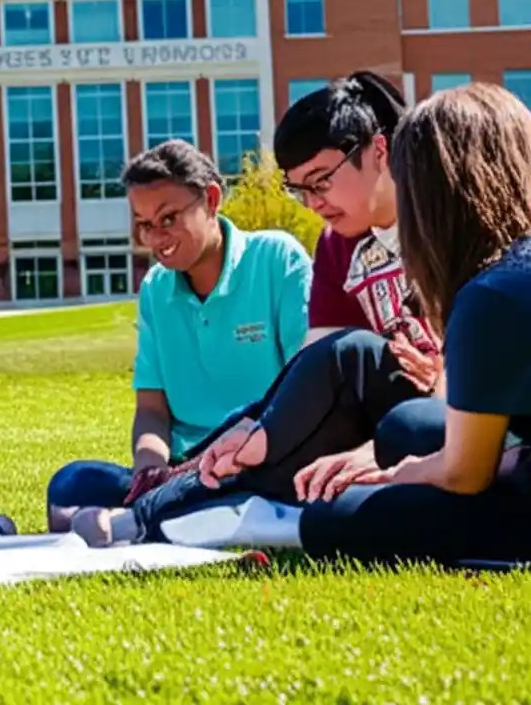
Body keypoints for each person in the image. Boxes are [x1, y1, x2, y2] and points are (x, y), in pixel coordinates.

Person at [67, 72, 451, 548]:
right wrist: (247, 431)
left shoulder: (442, 224)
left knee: (351, 366)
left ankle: (154, 516)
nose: (313, 203)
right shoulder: (336, 248)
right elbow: (311, 372)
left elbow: (351, 364)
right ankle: (182, 499)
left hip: (436, 420)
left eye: (322, 182)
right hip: (351, 421)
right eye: (299, 190)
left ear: (378, 151)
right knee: (78, 482)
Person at [182, 83, 531, 562]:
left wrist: (394, 472)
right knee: (399, 430)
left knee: (337, 515)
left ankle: (208, 505)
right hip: (495, 447)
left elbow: (465, 471)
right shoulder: (504, 274)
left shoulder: (489, 294)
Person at [44, 139, 313, 532]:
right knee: (72, 484)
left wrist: (234, 457)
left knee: (246, 488)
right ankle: (177, 511)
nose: (156, 239)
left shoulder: (278, 260)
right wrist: (149, 466)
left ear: (212, 200)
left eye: (168, 219)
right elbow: (152, 410)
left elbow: (307, 390)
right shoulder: (156, 288)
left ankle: (175, 515)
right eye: (144, 225)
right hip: (185, 469)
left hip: (263, 459)